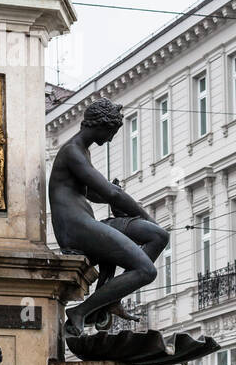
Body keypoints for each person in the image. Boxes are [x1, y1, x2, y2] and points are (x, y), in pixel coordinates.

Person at [48, 97, 170, 334]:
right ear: (100, 124)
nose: (111, 138)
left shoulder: (81, 151)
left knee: (158, 236)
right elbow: (109, 193)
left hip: (86, 224)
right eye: (112, 131)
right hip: (74, 229)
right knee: (146, 271)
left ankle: (110, 297)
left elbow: (96, 193)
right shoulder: (72, 151)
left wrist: (112, 194)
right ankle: (80, 312)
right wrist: (143, 214)